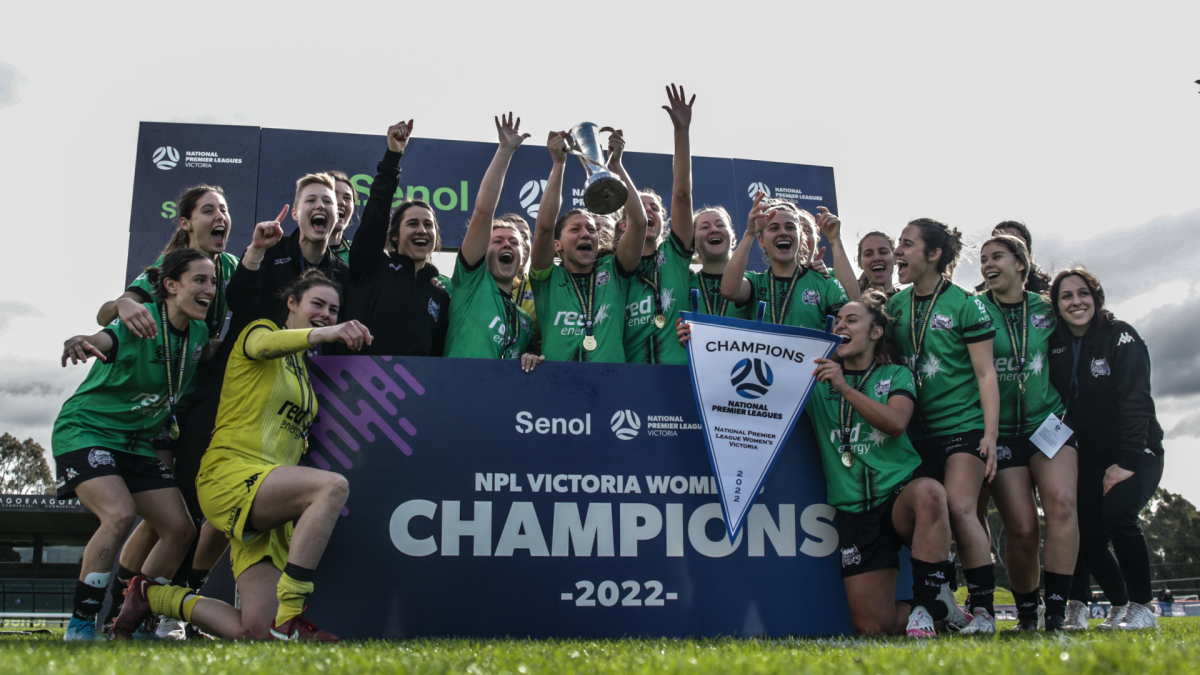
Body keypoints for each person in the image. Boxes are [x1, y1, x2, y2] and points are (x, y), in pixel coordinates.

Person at [678, 293, 969, 637]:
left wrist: (844, 387)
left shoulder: (896, 374)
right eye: (839, 320)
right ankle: (940, 609)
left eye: (852, 320)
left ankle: (923, 604)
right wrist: (702, 343)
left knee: (931, 493)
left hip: (898, 493)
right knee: (873, 628)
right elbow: (749, 369)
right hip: (854, 509)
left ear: (876, 333)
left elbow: (895, 424)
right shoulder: (813, 381)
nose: (842, 325)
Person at [113, 271, 371, 642]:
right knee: (331, 487)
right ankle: (292, 614)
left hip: (268, 500)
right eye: (317, 304)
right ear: (292, 304)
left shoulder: (304, 371)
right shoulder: (258, 331)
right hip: (229, 476)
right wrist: (326, 333)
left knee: (255, 632)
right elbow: (267, 345)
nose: (326, 314)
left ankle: (152, 595)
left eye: (333, 310)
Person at [92, 185, 241, 637]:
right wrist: (122, 303)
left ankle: (138, 611)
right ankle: (122, 612)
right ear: (185, 222)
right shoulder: (163, 272)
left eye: (225, 209)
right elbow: (106, 315)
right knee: (164, 520)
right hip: (161, 411)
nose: (220, 217)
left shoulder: (231, 266)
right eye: (209, 210)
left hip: (202, 404)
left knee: (187, 517)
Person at [56, 249, 217, 641]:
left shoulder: (198, 335)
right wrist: (82, 340)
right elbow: (103, 336)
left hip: (137, 442)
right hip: (88, 430)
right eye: (200, 280)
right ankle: (80, 624)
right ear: (170, 285)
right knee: (119, 515)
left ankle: (134, 616)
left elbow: (222, 351)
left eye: (212, 282)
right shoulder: (140, 322)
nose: (209, 290)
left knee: (180, 529)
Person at [886, 218, 1001, 634]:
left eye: (907, 244)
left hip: (964, 425)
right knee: (930, 515)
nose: (898, 251)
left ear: (934, 255)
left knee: (958, 506)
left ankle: (985, 611)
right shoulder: (896, 306)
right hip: (919, 433)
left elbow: (986, 374)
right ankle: (945, 603)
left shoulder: (966, 304)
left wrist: (990, 434)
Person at [1048, 267, 1164, 630]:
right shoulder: (1055, 345)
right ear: (1057, 305)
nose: (1076, 302)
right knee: (1082, 529)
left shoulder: (1121, 336)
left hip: (1138, 452)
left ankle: (1144, 606)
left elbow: (1137, 402)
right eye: (1066, 296)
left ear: (1096, 298)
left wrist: (1127, 461)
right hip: (1090, 456)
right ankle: (1120, 605)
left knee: (1118, 515)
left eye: (1083, 293)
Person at [978, 235, 1079, 631]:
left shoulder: (1046, 308)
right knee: (1021, 529)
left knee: (1062, 505)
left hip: (1048, 424)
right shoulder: (974, 309)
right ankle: (1026, 614)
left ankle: (1056, 609)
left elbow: (1087, 319)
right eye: (983, 258)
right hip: (1001, 433)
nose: (988, 263)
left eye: (997, 256)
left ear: (1021, 264)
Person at [529, 129, 648, 362]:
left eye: (591, 229)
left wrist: (616, 166)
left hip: (611, 384)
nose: (586, 234)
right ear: (558, 245)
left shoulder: (614, 272)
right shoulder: (546, 279)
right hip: (558, 384)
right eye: (575, 229)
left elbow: (639, 223)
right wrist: (558, 164)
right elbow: (543, 228)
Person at [340, 119, 450, 356]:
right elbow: (377, 211)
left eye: (428, 225)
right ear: (394, 235)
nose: (422, 230)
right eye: (412, 224)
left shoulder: (440, 296)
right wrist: (393, 156)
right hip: (355, 387)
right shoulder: (371, 267)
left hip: (415, 392)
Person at [444, 114, 538, 370]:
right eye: (497, 240)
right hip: (456, 395)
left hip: (501, 407)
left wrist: (531, 358)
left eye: (515, 242)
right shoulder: (470, 284)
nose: (508, 245)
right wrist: (505, 151)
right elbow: (484, 211)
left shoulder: (525, 322)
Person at [618, 84, 696, 365]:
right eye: (638, 208)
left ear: (664, 221)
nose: (646, 212)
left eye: (654, 208)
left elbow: (682, 194)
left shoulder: (675, 253)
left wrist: (681, 132)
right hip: (629, 376)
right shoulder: (615, 266)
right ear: (624, 225)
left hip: (678, 373)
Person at [721, 192, 849, 329]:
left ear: (800, 237)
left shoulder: (826, 285)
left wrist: (835, 239)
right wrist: (750, 232)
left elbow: (845, 328)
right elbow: (729, 290)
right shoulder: (755, 283)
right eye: (774, 228)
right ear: (761, 240)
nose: (783, 233)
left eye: (790, 227)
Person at [688, 206, 749, 319]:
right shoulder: (686, 284)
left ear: (733, 238)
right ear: (694, 243)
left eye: (720, 225)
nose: (714, 230)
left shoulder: (751, 283)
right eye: (705, 227)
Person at [974, 221, 1051, 295]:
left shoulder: (1045, 299)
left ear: (1027, 252)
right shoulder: (976, 300)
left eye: (1015, 242)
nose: (1007, 245)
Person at [326, 170, 356, 266]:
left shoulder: (360, 251)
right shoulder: (293, 250)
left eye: (347, 198)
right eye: (333, 195)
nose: (341, 202)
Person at [856, 232, 898, 297]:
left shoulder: (908, 300)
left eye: (883, 252)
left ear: (895, 258)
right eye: (868, 254)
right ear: (859, 262)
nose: (876, 258)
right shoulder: (852, 302)